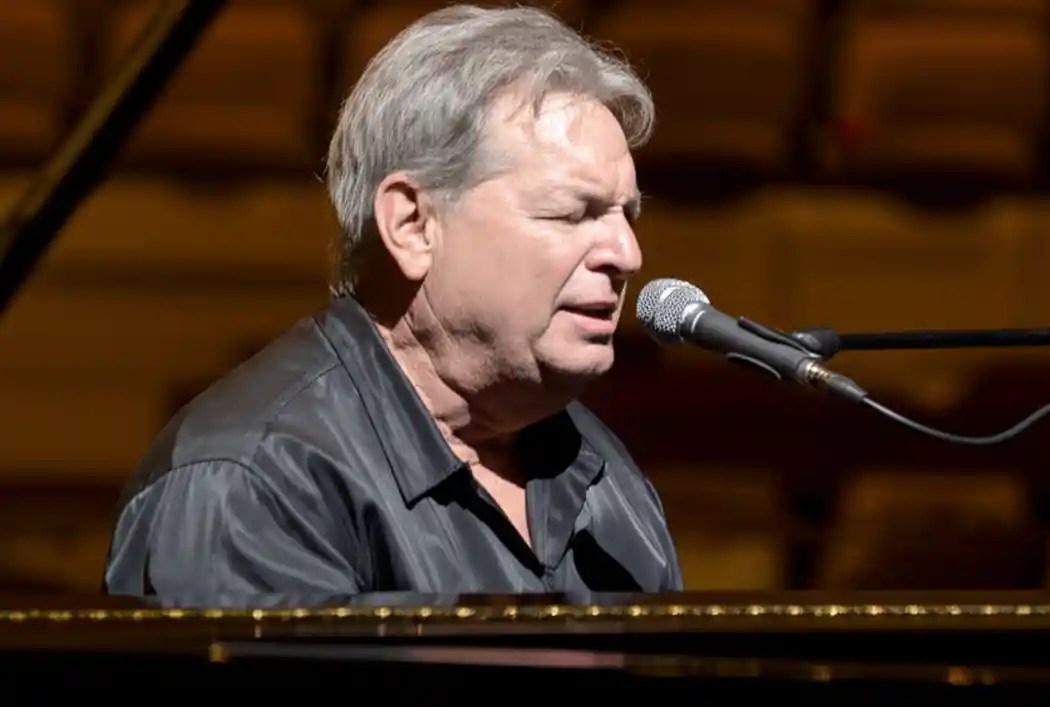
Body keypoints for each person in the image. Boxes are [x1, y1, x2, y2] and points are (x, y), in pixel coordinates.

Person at [102, 3, 683, 598]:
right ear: (412, 224)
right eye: (572, 213)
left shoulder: (604, 473)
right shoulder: (251, 482)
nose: (626, 253)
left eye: (626, 214)